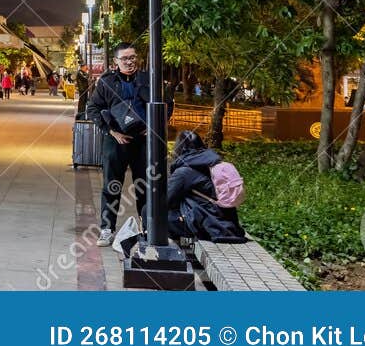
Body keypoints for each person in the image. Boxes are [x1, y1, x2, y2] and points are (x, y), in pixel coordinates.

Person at [86, 42, 171, 245]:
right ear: (116, 62)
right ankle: (107, 229)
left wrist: (153, 127)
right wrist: (111, 131)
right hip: (116, 142)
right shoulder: (106, 83)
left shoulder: (149, 80)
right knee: (112, 186)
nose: (130, 62)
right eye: (125, 59)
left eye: (133, 57)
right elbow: (92, 109)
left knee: (144, 186)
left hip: (143, 142)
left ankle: (147, 227)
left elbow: (168, 105)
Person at [166, 131, 246, 242]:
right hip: (228, 225)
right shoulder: (212, 163)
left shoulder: (183, 172)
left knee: (151, 213)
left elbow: (165, 201)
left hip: (211, 226)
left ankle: (164, 256)